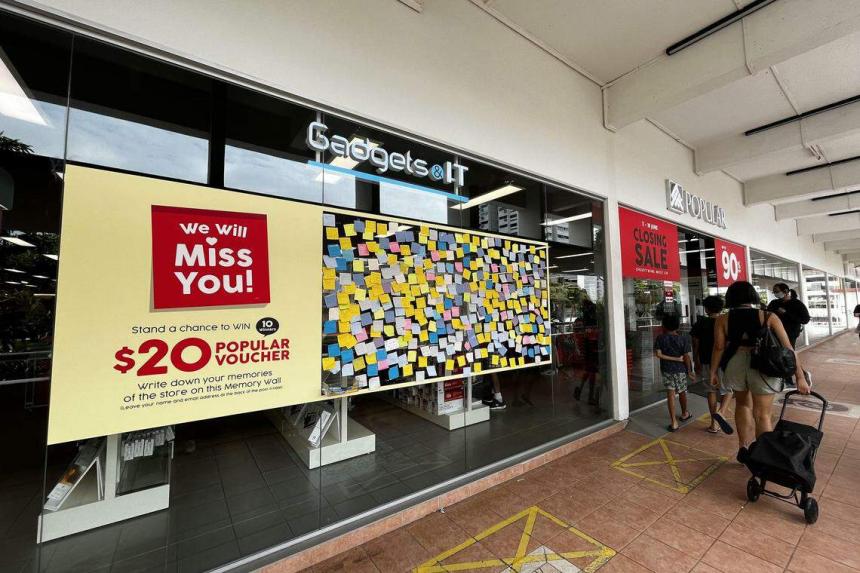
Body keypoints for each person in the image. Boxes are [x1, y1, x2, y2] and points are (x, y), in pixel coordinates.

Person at [711, 281, 810, 462]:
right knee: (762, 414)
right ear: (752, 296)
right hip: (764, 365)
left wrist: (712, 372)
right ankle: (764, 457)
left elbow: (718, 348)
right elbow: (788, 348)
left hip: (736, 364)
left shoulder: (723, 318)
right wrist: (800, 377)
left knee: (742, 405)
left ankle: (743, 447)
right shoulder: (768, 316)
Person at [692, 296, 733, 435]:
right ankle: (721, 414)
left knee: (711, 391)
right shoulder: (726, 321)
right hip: (724, 362)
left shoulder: (701, 323)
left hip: (706, 361)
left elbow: (695, 344)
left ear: (707, 308)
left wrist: (696, 360)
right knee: (728, 390)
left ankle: (713, 423)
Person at [655, 313, 694, 432]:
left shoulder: (660, 338)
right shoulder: (683, 338)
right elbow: (686, 357)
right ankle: (684, 413)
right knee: (682, 392)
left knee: (670, 394)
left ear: (664, 326)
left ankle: (674, 422)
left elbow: (658, 354)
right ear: (677, 326)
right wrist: (690, 371)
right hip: (681, 370)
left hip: (667, 370)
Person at [767, 283, 809, 349]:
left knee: (788, 354)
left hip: (790, 334)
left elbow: (805, 320)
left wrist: (786, 313)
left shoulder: (797, 304)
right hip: (774, 333)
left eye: (777, 291)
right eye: (774, 292)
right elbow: (767, 314)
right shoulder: (774, 303)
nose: (775, 294)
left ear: (785, 291)